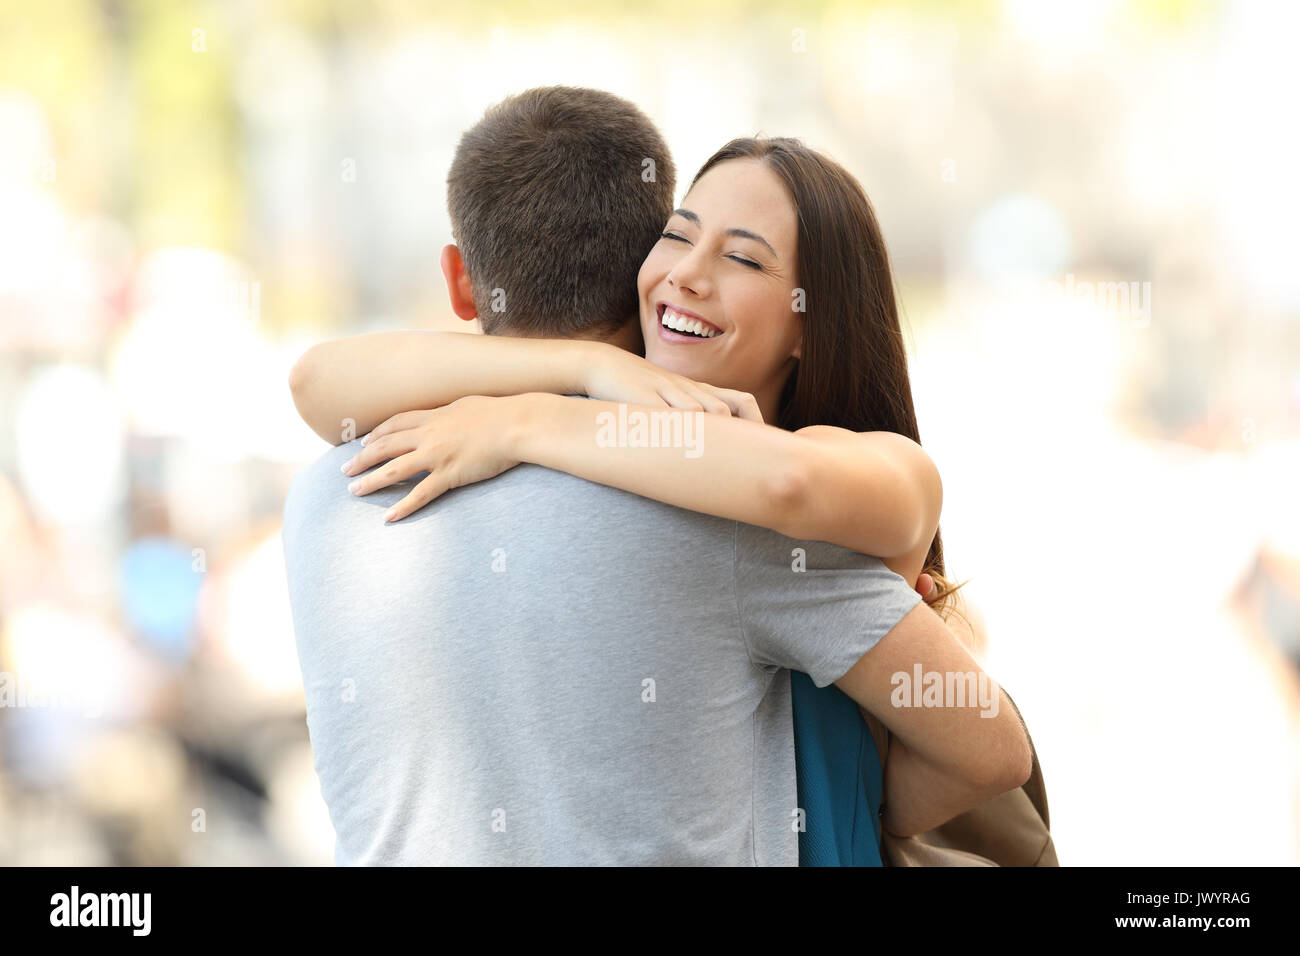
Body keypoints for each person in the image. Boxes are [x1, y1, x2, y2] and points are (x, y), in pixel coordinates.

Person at [284, 86, 1031, 865]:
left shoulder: (325, 496)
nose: (690, 275)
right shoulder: (683, 498)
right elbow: (314, 379)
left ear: (816, 316)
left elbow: (785, 484)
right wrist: (586, 367)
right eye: (677, 238)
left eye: (743, 257)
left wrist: (527, 420)